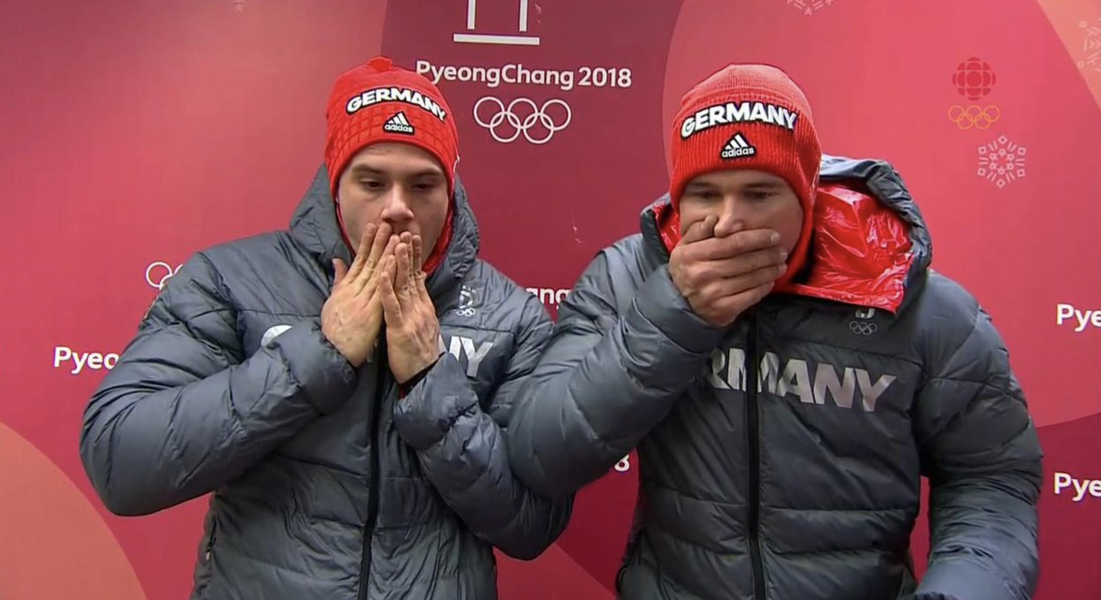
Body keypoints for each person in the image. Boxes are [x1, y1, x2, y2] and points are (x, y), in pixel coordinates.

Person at [506, 63, 1043, 600]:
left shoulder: (911, 298)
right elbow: (541, 456)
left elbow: (991, 480)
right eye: (705, 195)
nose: (729, 221)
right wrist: (676, 315)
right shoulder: (629, 281)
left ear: (808, 193)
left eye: (760, 194)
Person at [79, 55, 571, 600]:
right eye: (372, 181)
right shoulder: (231, 280)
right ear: (335, 185)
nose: (397, 209)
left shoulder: (511, 316)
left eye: (423, 185)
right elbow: (119, 461)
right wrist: (319, 354)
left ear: (451, 192)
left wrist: (430, 383)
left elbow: (532, 523)